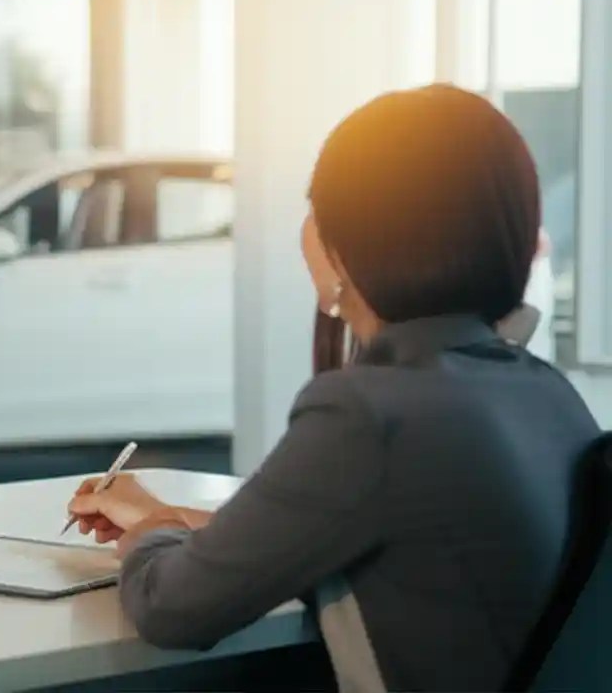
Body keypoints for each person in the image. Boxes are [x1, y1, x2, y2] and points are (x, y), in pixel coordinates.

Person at [65, 84, 601, 691]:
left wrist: (145, 535)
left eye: (316, 206)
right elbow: (373, 533)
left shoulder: (373, 412)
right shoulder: (541, 392)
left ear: (357, 241)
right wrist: (170, 519)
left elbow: (172, 608)